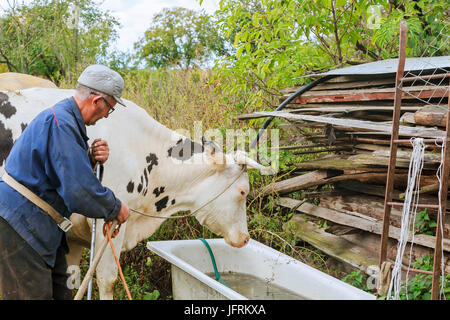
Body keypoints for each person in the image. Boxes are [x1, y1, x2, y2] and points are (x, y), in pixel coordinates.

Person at [0, 65, 130, 300]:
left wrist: (88, 158)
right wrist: (114, 207)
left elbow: (59, 173)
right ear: (97, 100)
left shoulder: (64, 120)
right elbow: (78, 191)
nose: (106, 115)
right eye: (109, 109)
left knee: (61, 291)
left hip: (38, 225)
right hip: (20, 225)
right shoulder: (62, 125)